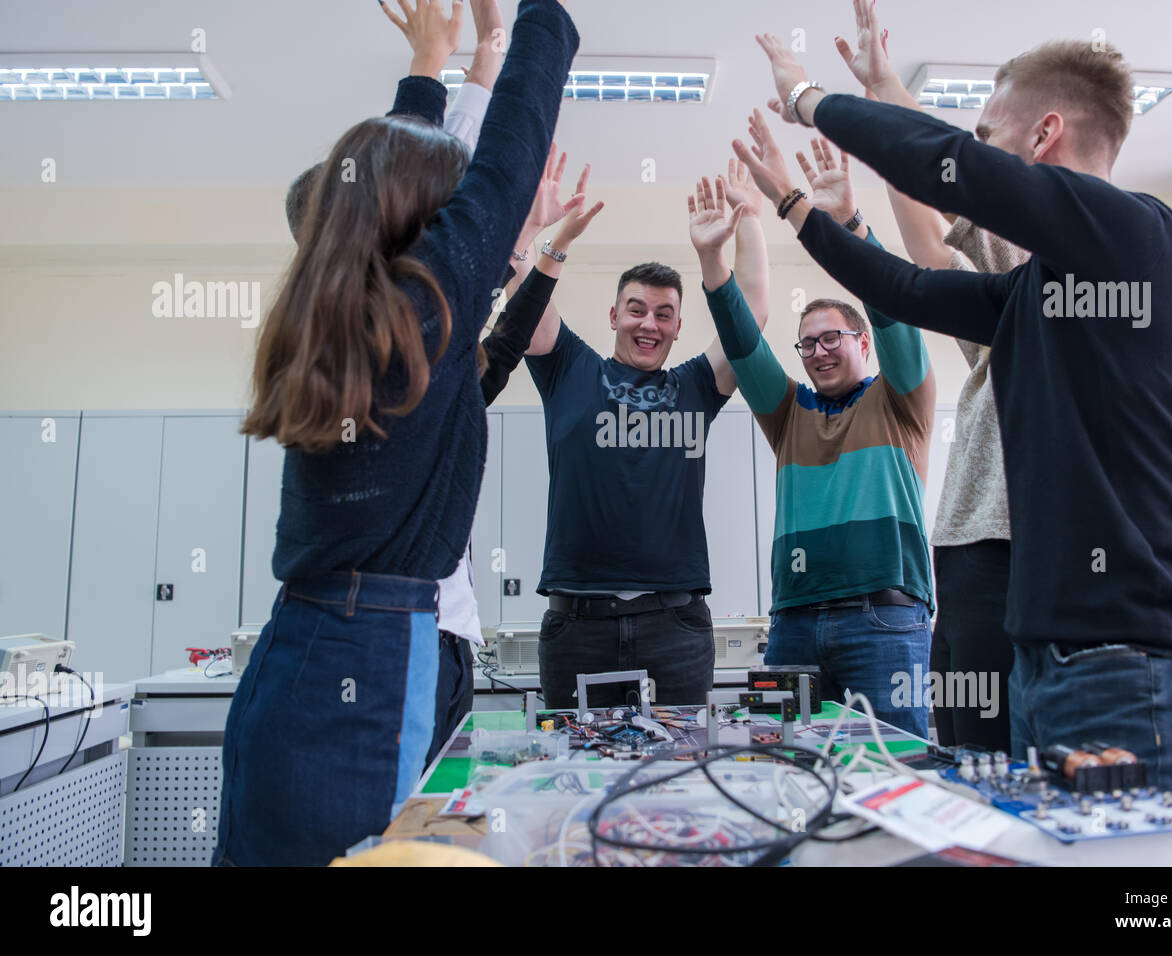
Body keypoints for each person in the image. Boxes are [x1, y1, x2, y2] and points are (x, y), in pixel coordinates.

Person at [743, 7, 1172, 865]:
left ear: (1046, 133)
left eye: (987, 131)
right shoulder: (1038, 294)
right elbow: (903, 287)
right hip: (1045, 662)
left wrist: (806, 97)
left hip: (1139, 664)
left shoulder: (1141, 233)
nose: (973, 149)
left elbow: (953, 171)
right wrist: (796, 209)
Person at [215, 0, 580, 867]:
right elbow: (509, 154)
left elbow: (380, 182)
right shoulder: (414, 313)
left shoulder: (360, 315)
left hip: (307, 652)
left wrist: (430, 72)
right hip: (366, 663)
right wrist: (532, 22)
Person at [689, 128, 936, 737]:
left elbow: (893, 308)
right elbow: (744, 344)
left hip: (885, 621)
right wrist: (712, 263)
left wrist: (850, 223)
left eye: (833, 337)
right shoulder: (788, 412)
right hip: (796, 624)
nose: (819, 350)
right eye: (808, 342)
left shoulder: (901, 399)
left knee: (893, 765)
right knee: (785, 761)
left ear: (862, 342)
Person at [837, 0, 1028, 751]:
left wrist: (886, 100)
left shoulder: (1064, 274)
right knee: (959, 756)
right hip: (963, 562)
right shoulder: (1002, 325)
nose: (977, 147)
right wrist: (888, 124)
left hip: (1018, 555)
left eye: (989, 135)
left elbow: (967, 189)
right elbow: (929, 249)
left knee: (1000, 767)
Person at [522, 159, 773, 709]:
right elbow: (525, 303)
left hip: (674, 626)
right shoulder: (569, 368)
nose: (649, 324)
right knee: (577, 784)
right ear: (613, 315)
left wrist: (749, 218)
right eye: (636, 310)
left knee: (680, 780)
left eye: (664, 314)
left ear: (679, 327)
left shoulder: (697, 387)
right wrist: (530, 231)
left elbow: (751, 315)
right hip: (577, 625)